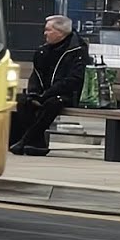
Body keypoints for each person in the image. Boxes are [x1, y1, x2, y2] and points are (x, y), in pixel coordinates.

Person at [9, 14, 90, 156]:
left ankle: (25, 140)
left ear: (61, 33)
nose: (44, 33)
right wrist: (35, 93)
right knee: (24, 101)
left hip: (69, 94)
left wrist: (46, 94)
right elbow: (36, 75)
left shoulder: (78, 51)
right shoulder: (43, 51)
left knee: (53, 103)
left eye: (48, 30)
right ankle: (37, 144)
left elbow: (74, 80)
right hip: (45, 93)